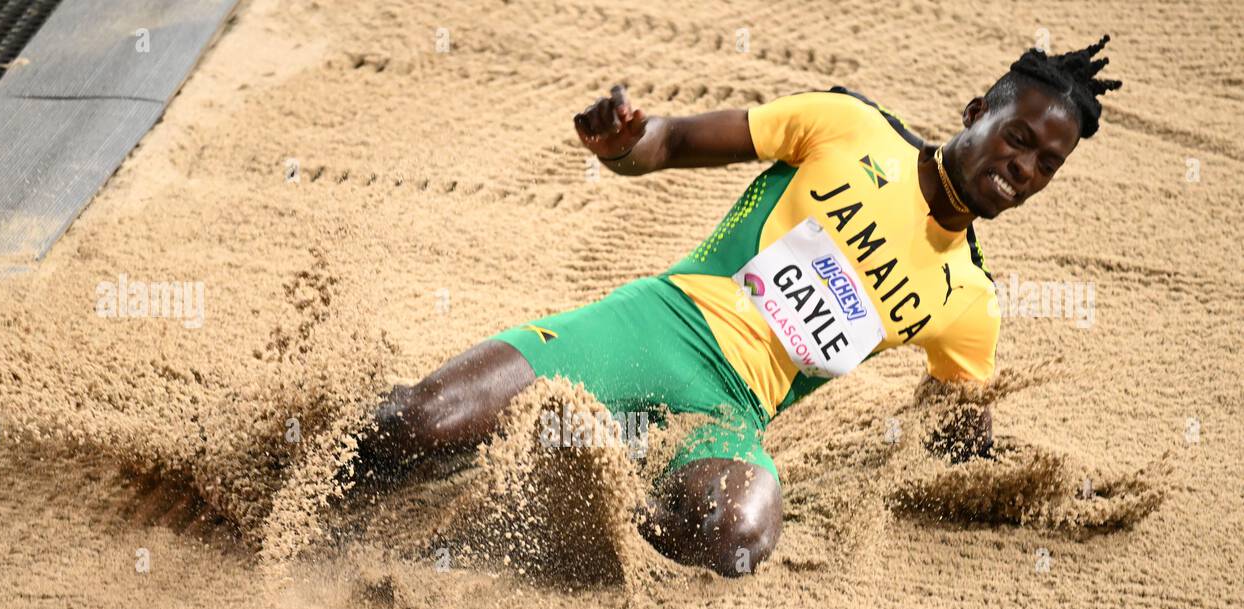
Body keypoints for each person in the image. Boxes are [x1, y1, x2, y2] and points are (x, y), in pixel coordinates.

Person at [350, 36, 1121, 576]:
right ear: (977, 107)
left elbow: (958, 440)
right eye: (1017, 137)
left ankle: (614, 458)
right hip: (656, 324)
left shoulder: (969, 302)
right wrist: (622, 143)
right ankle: (300, 476)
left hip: (730, 414)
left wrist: (1041, 487)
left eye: (1046, 164)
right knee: (418, 421)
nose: (1022, 167)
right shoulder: (850, 126)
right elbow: (675, 142)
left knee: (739, 538)